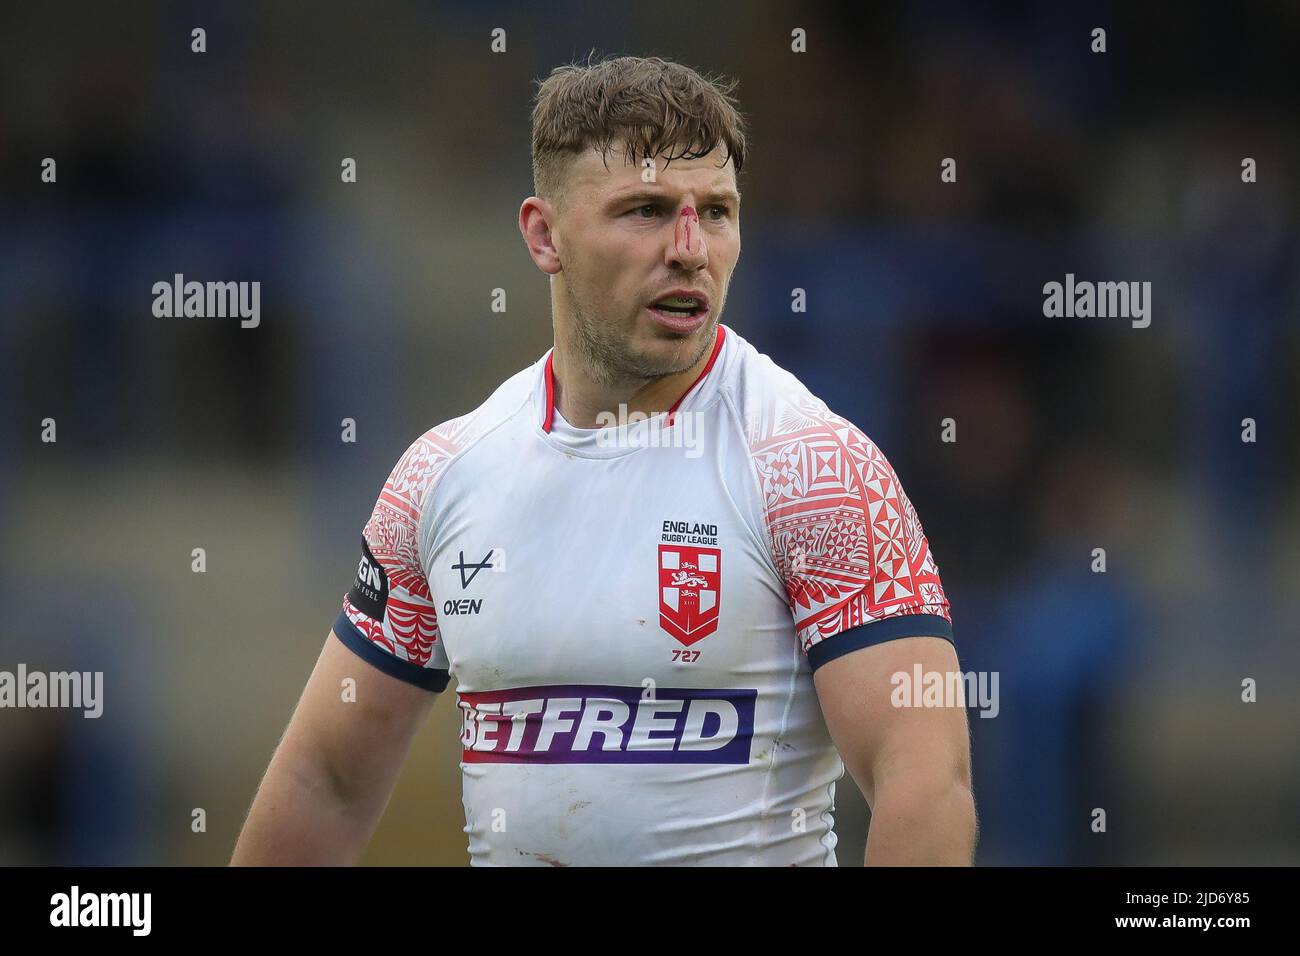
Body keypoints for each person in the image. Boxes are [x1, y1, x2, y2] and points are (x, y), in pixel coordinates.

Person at [232, 53, 975, 867]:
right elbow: (326, 781)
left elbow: (925, 783)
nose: (691, 248)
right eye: (648, 211)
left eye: (717, 212)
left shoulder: (815, 469)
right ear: (544, 235)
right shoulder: (439, 479)